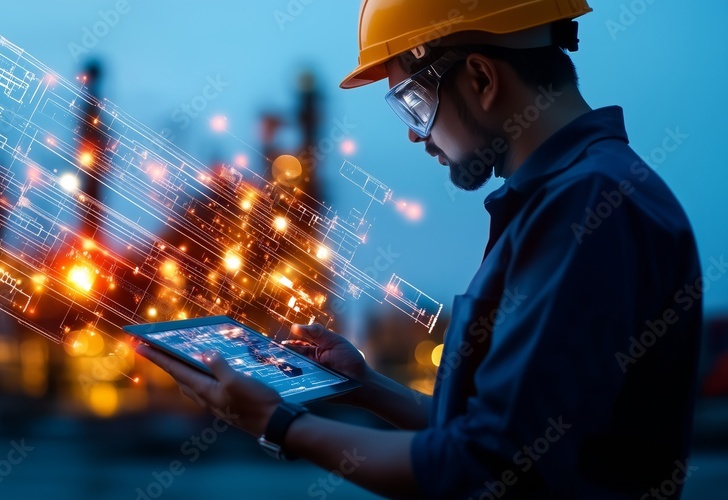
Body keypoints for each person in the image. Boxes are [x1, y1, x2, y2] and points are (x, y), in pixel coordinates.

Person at [137, 0, 703, 497]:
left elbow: (490, 466)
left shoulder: (588, 209)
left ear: (480, 78)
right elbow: (507, 432)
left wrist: (277, 423)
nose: (414, 133)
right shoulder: (569, 198)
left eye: (413, 103)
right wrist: (369, 388)